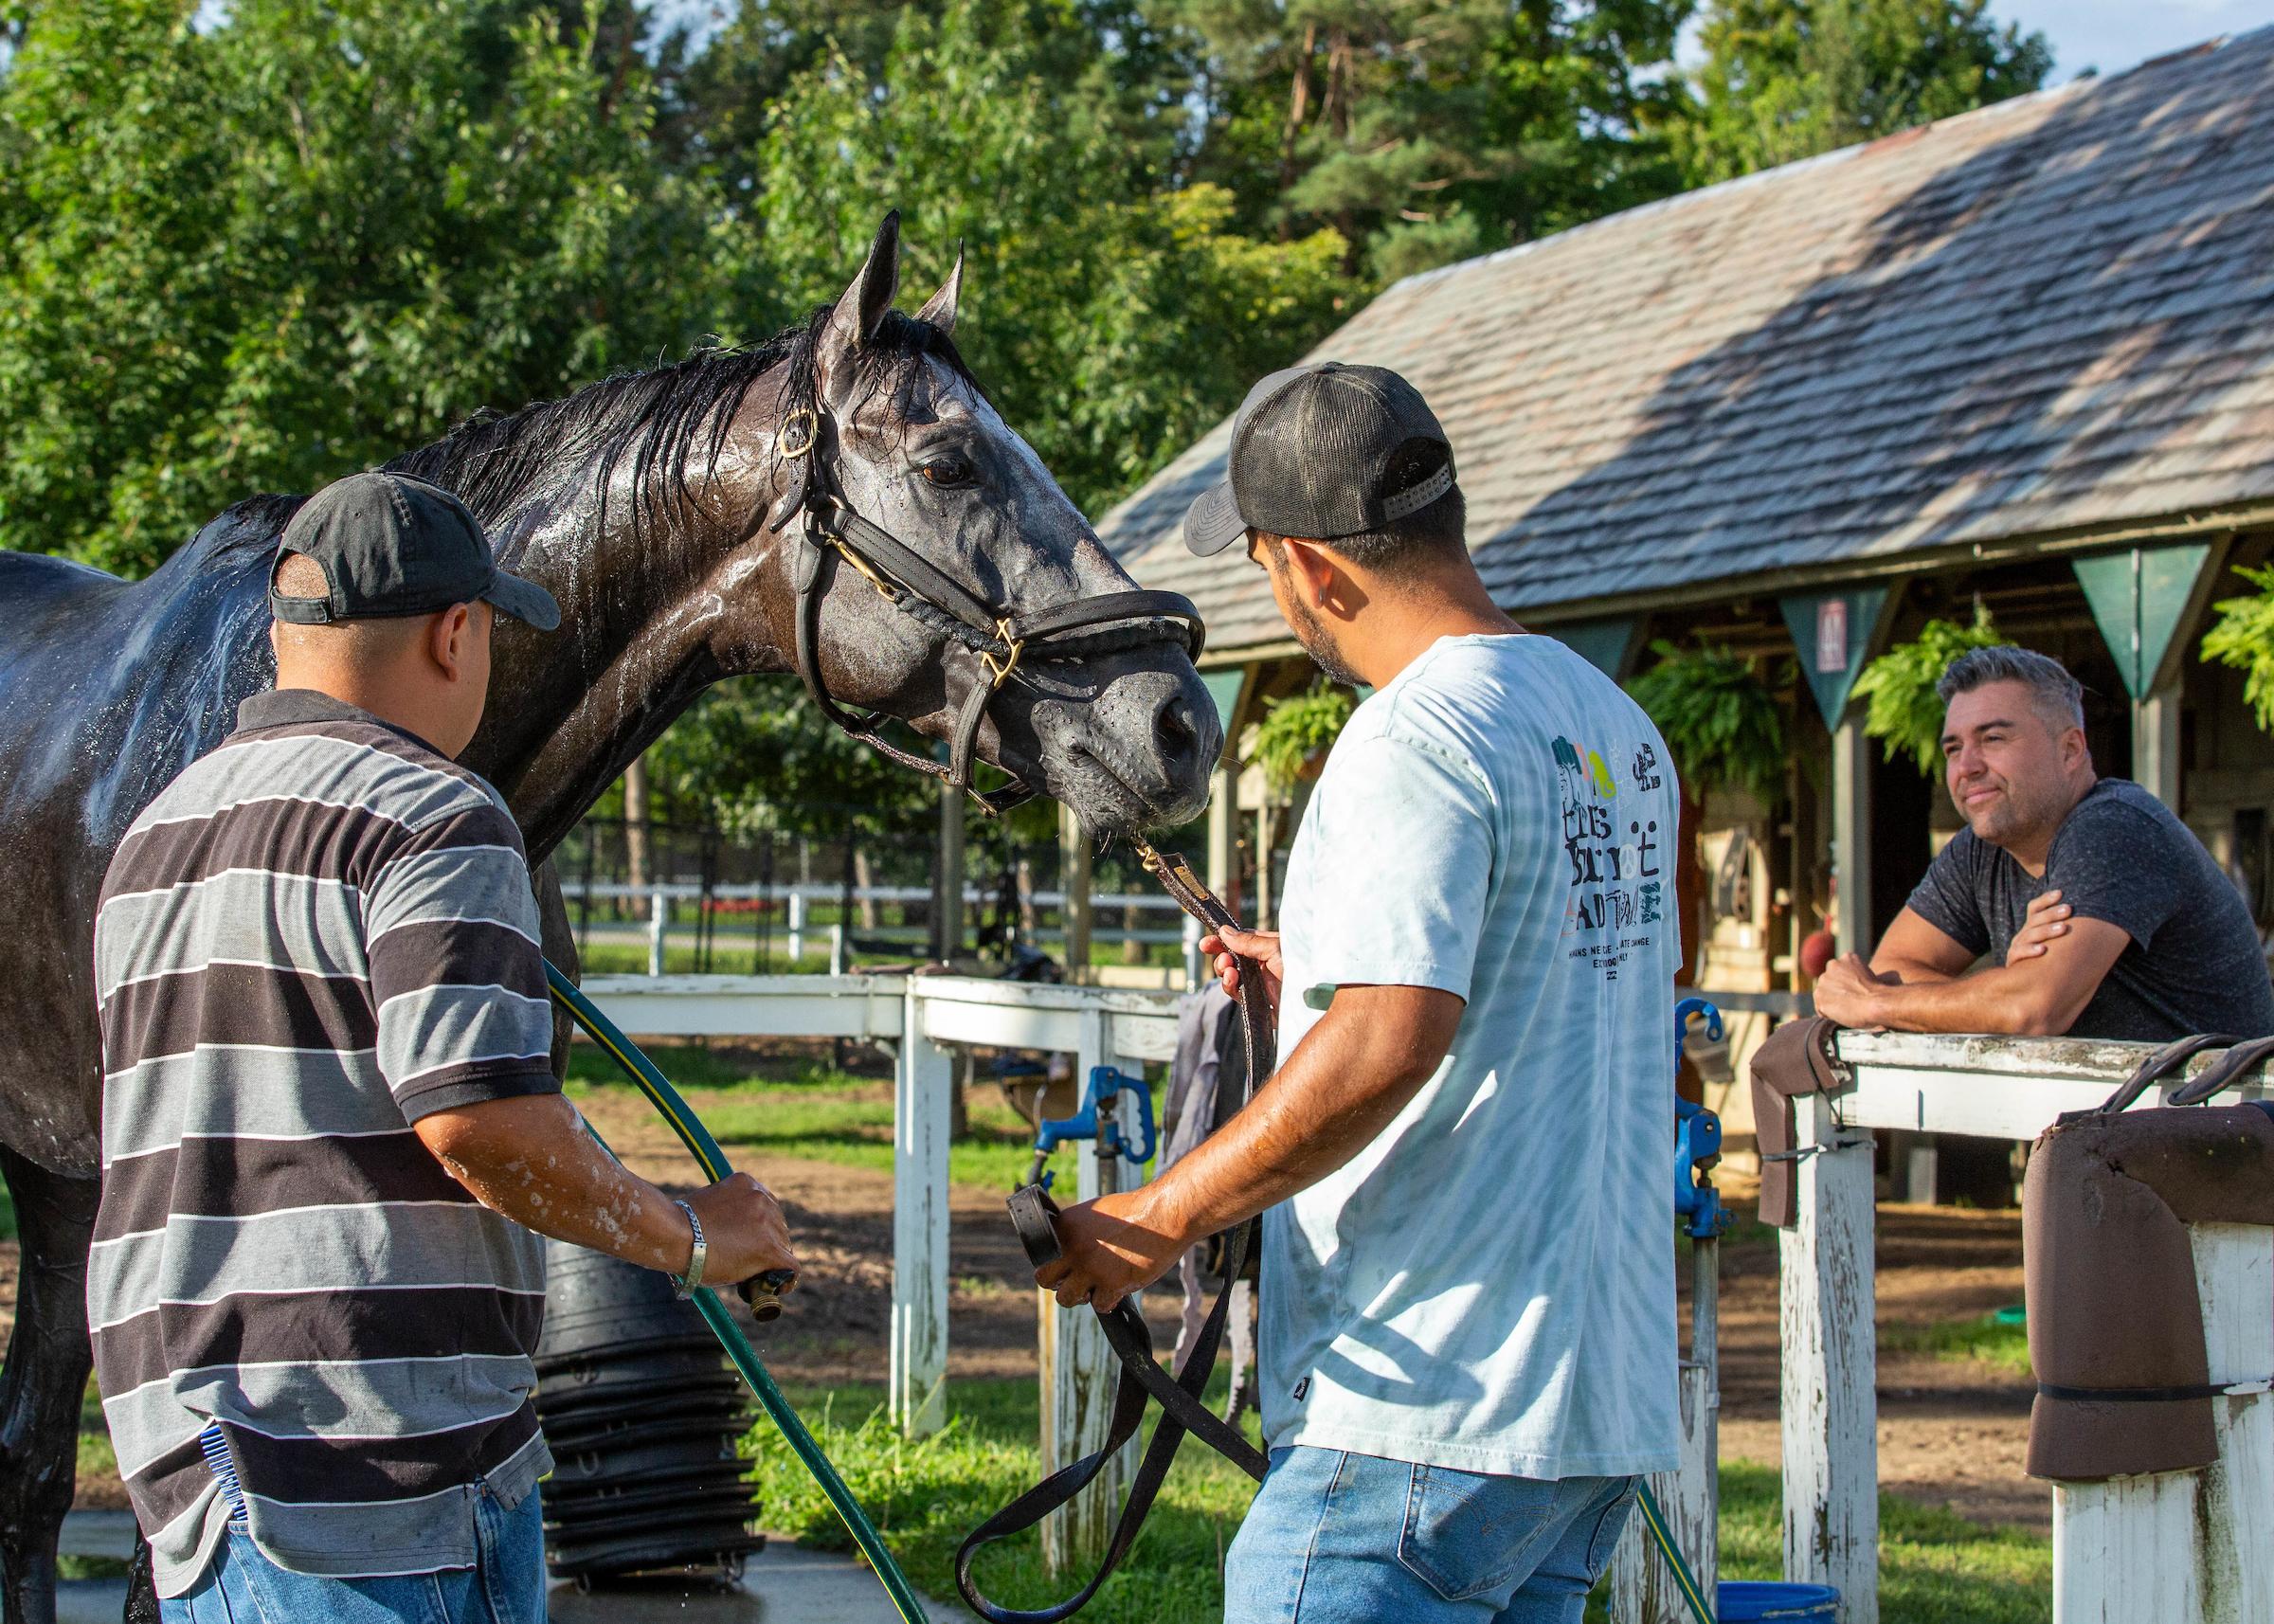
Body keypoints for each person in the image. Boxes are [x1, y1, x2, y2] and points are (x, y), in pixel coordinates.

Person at [89, 472, 800, 1622]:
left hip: (201, 1466)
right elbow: (479, 1123)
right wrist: (691, 1239)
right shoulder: (435, 814)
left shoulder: (157, 835)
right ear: (456, 631)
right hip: (376, 1472)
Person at [1036, 364, 1683, 1622]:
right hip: (1589, 1410)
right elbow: (1576, 975)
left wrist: (1160, 1213)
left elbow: (1388, 1039)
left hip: (1424, 1406)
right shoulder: (1612, 723)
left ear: (1311, 571)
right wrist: (1325, 953)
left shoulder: (1412, 738)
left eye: (1269, 569)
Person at [1813, 644, 2274, 1041]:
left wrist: (1878, 1005)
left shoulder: (2115, 827)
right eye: (1953, 748)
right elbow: (1895, 965)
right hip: (2111, 1128)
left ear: (2071, 750)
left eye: (1992, 738)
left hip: (2223, 1126)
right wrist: (2002, 984)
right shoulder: (1978, 849)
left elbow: (2033, 1009)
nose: (1966, 765)